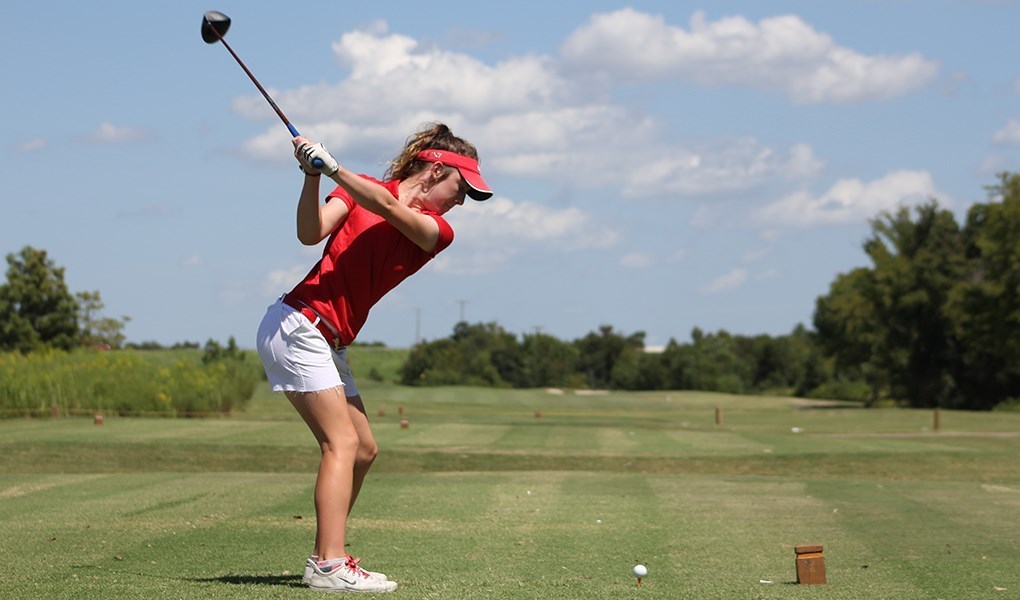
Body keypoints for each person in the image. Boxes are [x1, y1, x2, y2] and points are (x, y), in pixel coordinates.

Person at [255, 123, 492, 593]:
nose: (462, 201)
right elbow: (309, 233)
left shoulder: (437, 231)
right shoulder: (358, 188)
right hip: (299, 324)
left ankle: (329, 555)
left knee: (363, 448)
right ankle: (329, 565)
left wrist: (333, 169)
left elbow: (386, 206)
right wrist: (313, 177)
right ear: (436, 170)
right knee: (341, 443)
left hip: (328, 340)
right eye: (461, 188)